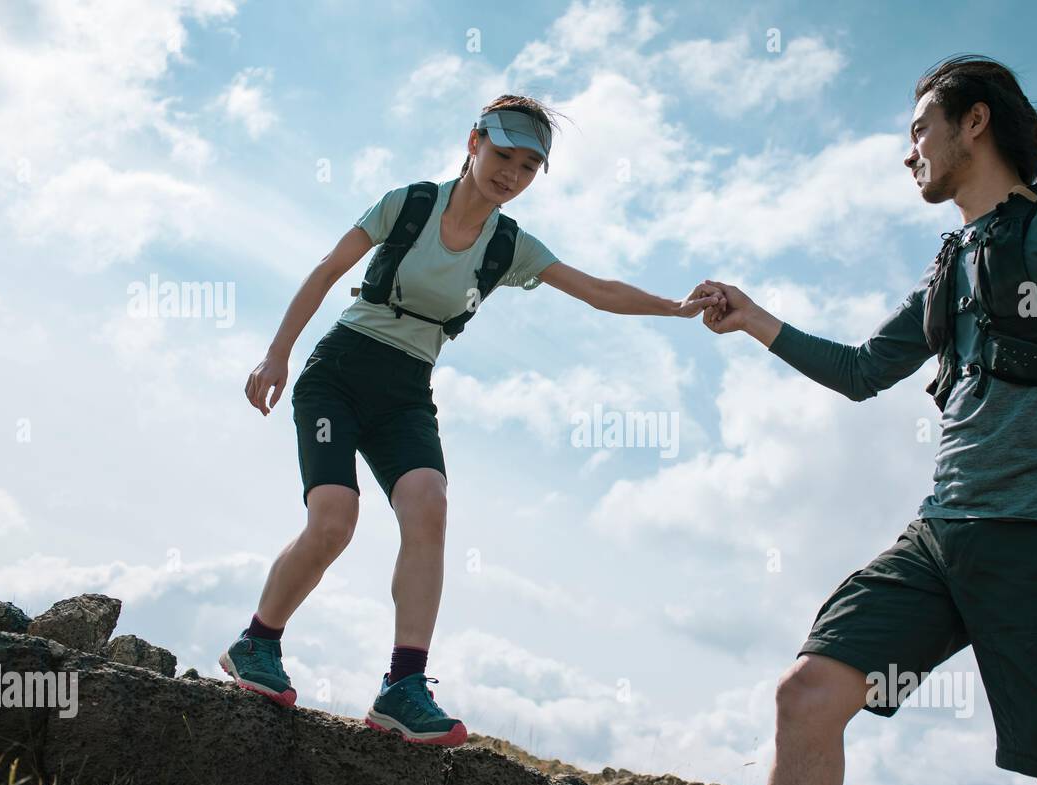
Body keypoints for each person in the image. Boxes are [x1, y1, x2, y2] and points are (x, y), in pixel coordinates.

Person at [702, 55, 1037, 785]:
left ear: (976, 121)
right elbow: (858, 371)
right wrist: (755, 318)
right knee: (806, 694)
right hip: (941, 535)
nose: (908, 150)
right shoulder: (949, 266)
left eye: (920, 128)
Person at [226, 93, 725, 746]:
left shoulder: (509, 247)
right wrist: (276, 354)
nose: (510, 174)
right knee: (334, 519)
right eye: (502, 156)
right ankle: (257, 643)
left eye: (527, 167)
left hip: (406, 391)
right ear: (473, 143)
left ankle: (403, 686)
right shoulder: (407, 204)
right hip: (339, 374)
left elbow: (597, 289)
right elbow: (327, 271)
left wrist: (678, 307)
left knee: (428, 502)